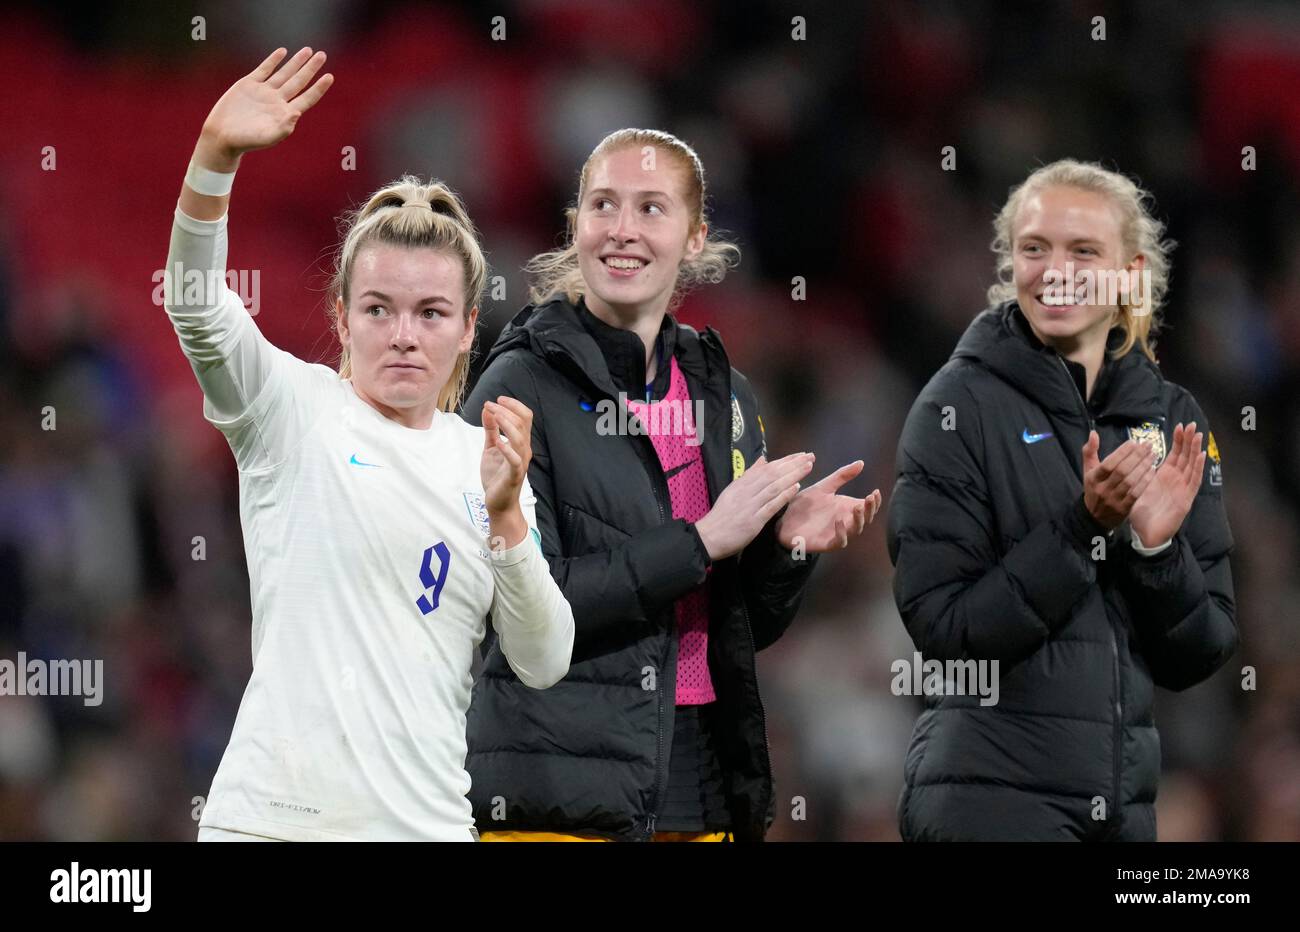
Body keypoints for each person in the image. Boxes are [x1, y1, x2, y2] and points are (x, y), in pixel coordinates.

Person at [164, 47, 573, 842]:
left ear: (465, 333)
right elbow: (194, 306)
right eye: (379, 309)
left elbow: (544, 658)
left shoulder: (486, 468)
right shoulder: (292, 412)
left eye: (430, 313)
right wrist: (214, 156)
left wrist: (507, 522)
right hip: (271, 826)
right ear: (342, 317)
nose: (404, 336)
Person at [462, 128, 881, 841]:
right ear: (576, 227)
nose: (622, 230)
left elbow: (740, 625)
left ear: (695, 239)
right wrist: (699, 541)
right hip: (558, 793)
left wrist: (784, 550)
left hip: (699, 784)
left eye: (651, 208)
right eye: (604, 205)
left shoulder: (726, 396)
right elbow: (517, 605)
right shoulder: (518, 384)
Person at [886, 159, 1238, 841]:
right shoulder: (956, 407)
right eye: (1034, 248)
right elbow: (948, 632)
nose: (1056, 269)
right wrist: (1082, 529)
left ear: (1131, 273)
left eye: (1083, 250)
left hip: (1123, 809)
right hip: (987, 804)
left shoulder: (1172, 418)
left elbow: (1201, 652)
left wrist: (1156, 551)